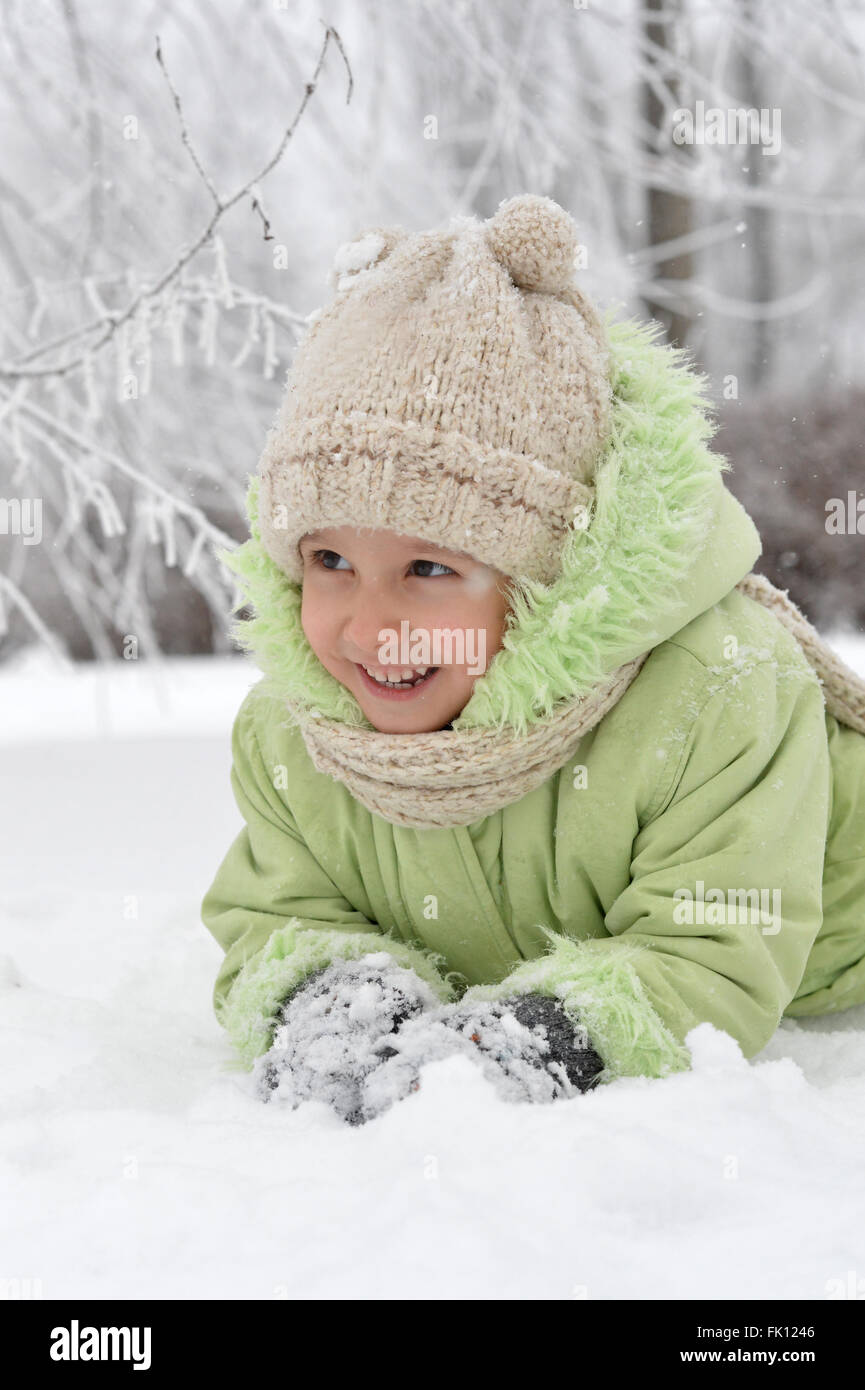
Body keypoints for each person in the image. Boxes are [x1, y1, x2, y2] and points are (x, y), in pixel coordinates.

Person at [201, 194, 865, 1126]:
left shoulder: (719, 689)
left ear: (553, 574)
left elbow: (715, 945)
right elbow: (276, 910)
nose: (367, 624)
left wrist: (536, 1040)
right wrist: (329, 999)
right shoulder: (291, 733)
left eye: (429, 567)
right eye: (329, 562)